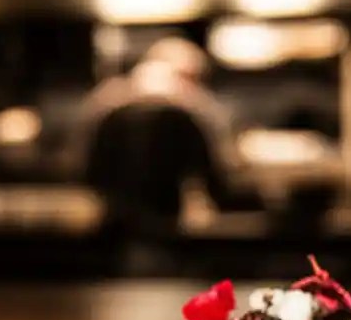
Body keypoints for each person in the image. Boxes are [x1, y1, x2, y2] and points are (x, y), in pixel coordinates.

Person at [76, 37, 244, 238]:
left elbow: (80, 165)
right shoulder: (195, 104)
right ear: (191, 75)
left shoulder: (104, 100)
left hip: (112, 222)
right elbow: (220, 170)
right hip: (170, 219)